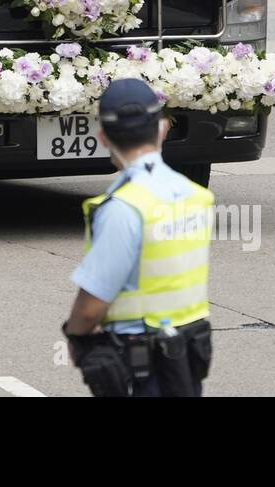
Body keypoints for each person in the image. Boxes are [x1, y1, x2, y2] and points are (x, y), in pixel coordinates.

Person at [63, 79, 213, 398]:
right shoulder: (194, 195)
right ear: (162, 129)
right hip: (189, 358)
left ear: (102, 136)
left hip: (142, 369)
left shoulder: (124, 207)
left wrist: (75, 337)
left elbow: (92, 305)